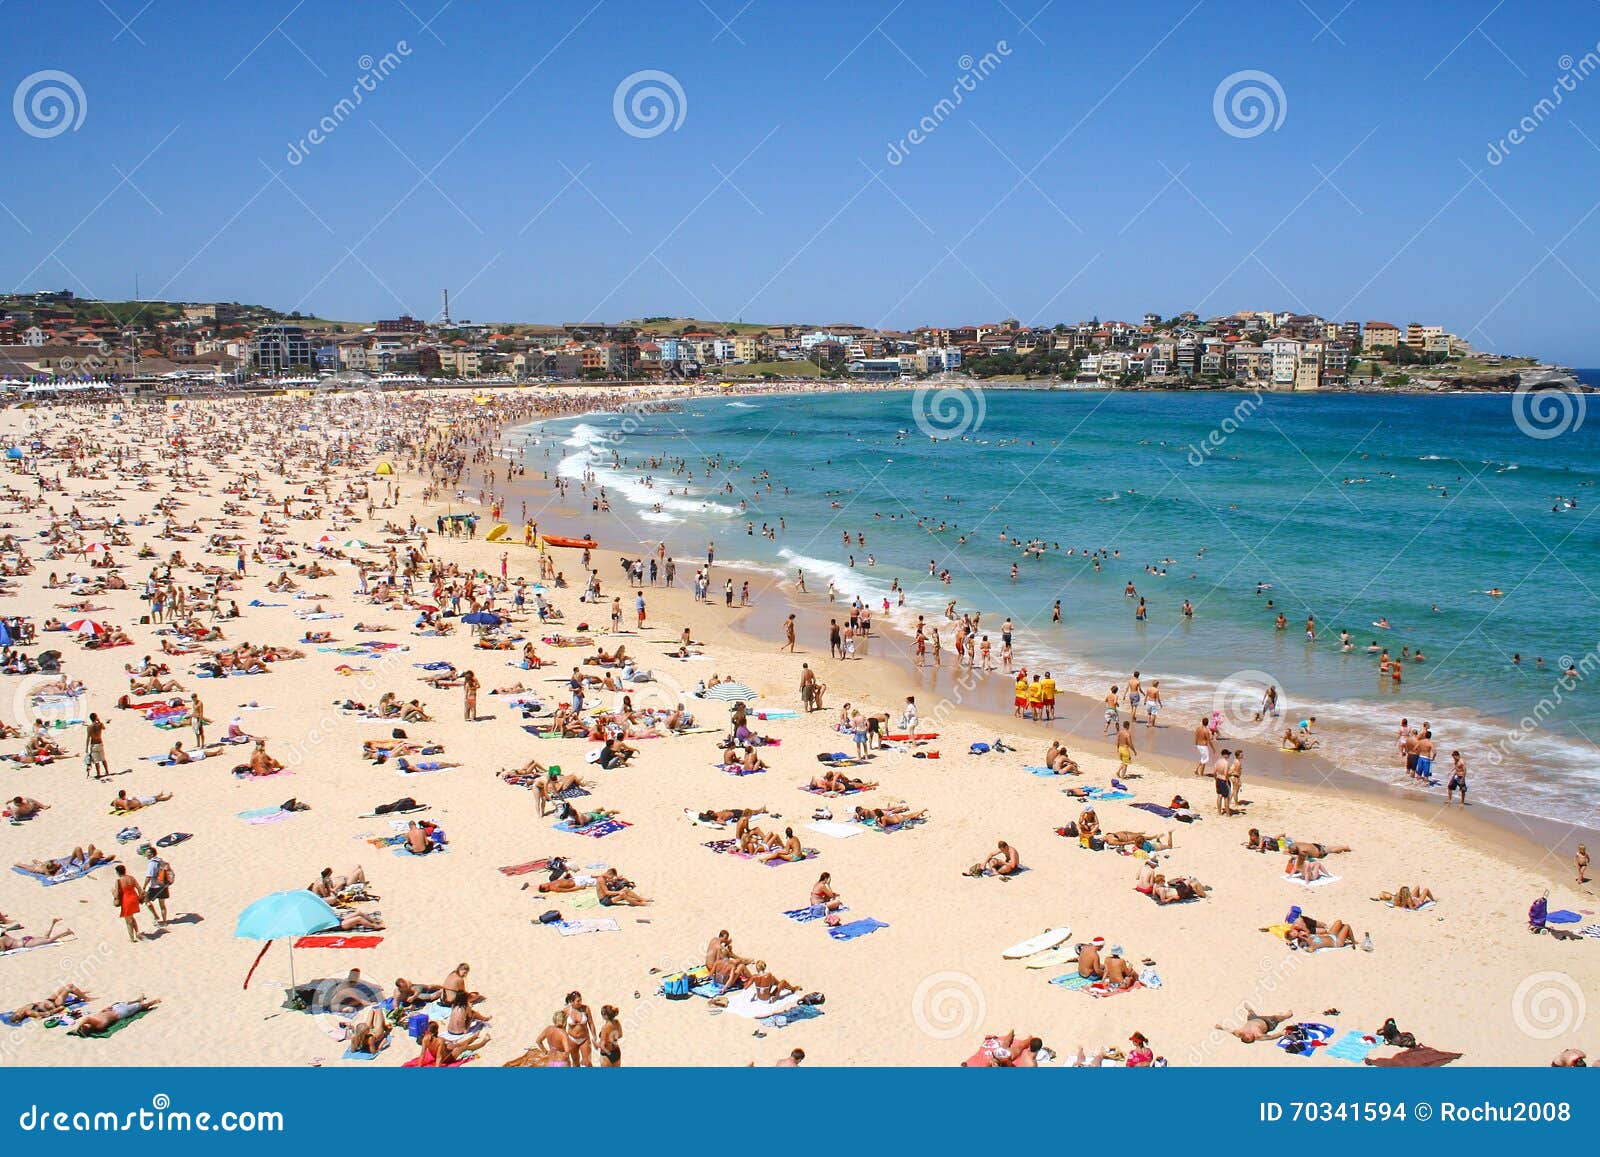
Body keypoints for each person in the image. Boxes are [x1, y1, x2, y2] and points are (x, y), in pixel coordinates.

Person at [68, 996, 161, 1037]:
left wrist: (104, 1009)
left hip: (113, 1009)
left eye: (82, 1027)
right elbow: (86, 1018)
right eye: (85, 1028)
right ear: (90, 1030)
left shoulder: (92, 1022)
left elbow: (99, 1014)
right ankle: (153, 1002)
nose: (84, 1026)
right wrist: (78, 1028)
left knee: (121, 1003)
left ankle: (138, 999)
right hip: (120, 1013)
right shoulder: (98, 1025)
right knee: (139, 1007)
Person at [1218, 1007, 1293, 1043]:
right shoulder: (1258, 1036)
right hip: (1268, 1023)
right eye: (1251, 1037)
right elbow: (1271, 1037)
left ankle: (1250, 1010)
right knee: (1277, 1018)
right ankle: (1287, 1016)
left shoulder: (1239, 1033)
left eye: (1247, 1035)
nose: (1249, 1034)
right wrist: (1281, 1033)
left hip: (1252, 1019)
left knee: (1250, 1013)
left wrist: (1221, 1027)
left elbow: (1230, 1030)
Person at [111, 863, 143, 944]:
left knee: (128, 921)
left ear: (118, 872)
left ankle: (132, 938)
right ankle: (137, 932)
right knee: (131, 917)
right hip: (134, 898)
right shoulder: (131, 878)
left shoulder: (119, 881)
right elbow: (139, 888)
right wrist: (140, 898)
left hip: (126, 900)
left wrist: (112, 892)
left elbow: (117, 894)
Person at [141, 845, 172, 925]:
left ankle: (155, 916)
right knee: (162, 904)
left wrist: (144, 887)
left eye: (147, 853)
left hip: (155, 886)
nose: (146, 855)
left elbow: (149, 876)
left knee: (146, 900)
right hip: (163, 885)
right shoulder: (161, 861)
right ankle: (165, 922)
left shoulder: (152, 863)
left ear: (151, 854)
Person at [84, 712, 109, 780]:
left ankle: (98, 774)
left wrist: (86, 747)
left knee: (96, 760)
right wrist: (99, 720)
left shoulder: (89, 727)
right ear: (96, 717)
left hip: (93, 744)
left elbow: (88, 738)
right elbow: (104, 728)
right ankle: (107, 771)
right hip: (100, 743)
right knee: (103, 759)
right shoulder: (100, 724)